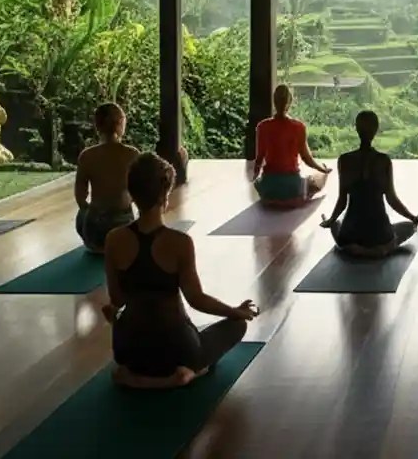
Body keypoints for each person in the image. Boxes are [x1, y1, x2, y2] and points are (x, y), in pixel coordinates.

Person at [102, 153, 258, 389]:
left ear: (132, 194)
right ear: (165, 195)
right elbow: (196, 299)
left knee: (126, 319)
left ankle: (135, 378)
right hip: (177, 352)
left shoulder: (113, 239)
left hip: (129, 352)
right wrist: (234, 311)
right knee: (237, 326)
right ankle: (183, 376)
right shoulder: (179, 242)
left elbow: (117, 298)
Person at [319, 111, 418, 257]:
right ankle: (381, 249)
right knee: (409, 228)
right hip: (380, 235)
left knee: (337, 226)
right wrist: (413, 218)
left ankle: (354, 248)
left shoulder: (345, 160)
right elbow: (391, 199)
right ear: (376, 130)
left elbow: (342, 201)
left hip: (351, 235)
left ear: (356, 128)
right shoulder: (384, 161)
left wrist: (331, 220)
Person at [74, 103, 140, 253]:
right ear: (120, 124)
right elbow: (141, 193)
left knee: (82, 214)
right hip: (123, 230)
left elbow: (80, 198)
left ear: (97, 126)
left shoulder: (87, 156)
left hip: (94, 234)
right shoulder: (132, 154)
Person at [253, 84, 331, 208]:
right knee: (319, 177)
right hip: (293, 189)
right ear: (290, 102)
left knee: (258, 182)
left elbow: (259, 158)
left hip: (269, 189)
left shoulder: (262, 126)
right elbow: (307, 159)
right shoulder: (298, 127)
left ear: (274, 101)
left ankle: (273, 197)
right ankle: (294, 197)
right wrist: (323, 170)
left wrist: (256, 177)